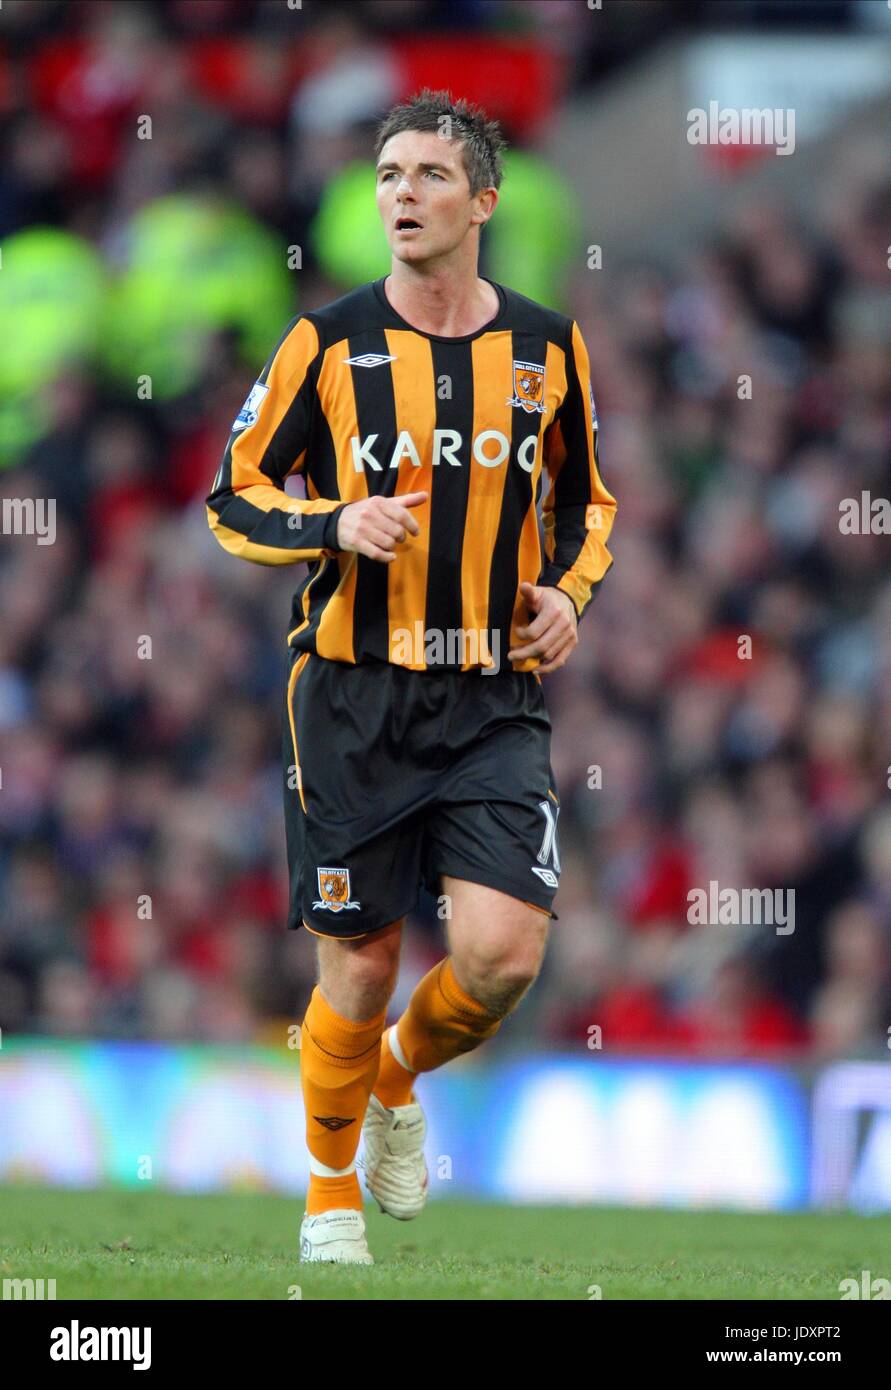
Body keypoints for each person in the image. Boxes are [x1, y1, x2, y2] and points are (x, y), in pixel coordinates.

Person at [207, 89, 617, 1264]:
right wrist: (338, 523)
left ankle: (394, 1073)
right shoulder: (324, 343)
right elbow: (233, 495)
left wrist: (565, 598)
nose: (402, 195)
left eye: (430, 176)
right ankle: (330, 1198)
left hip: (491, 695)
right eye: (388, 175)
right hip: (349, 694)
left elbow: (589, 502)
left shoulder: (547, 347)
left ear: (483, 201)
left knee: (500, 957)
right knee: (363, 959)